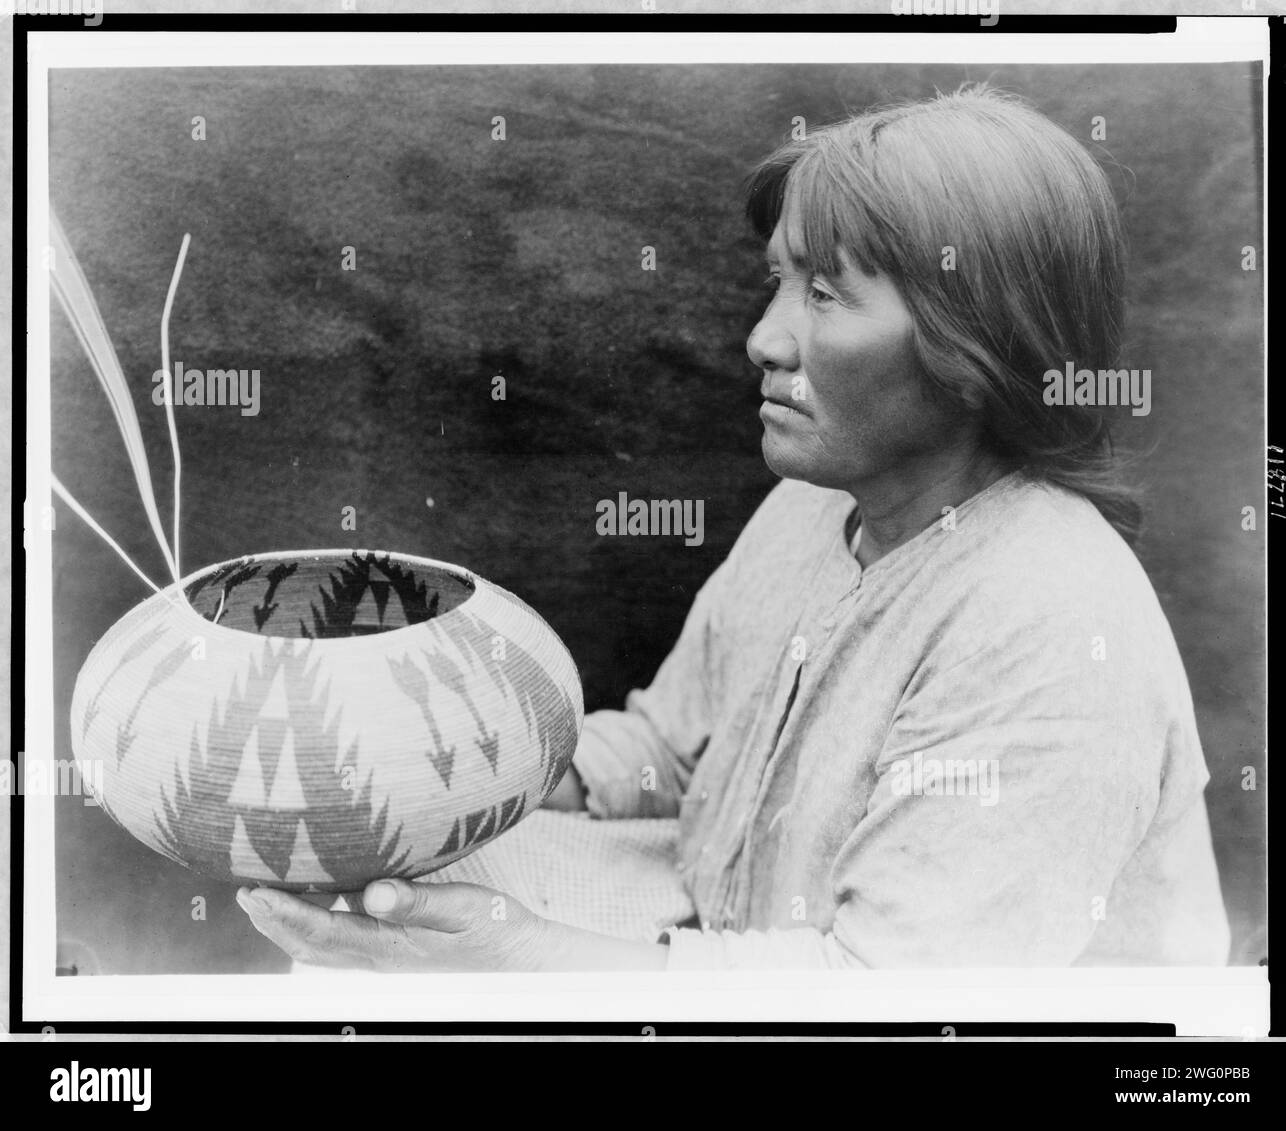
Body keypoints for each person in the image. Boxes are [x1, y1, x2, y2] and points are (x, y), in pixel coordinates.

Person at [239, 85, 1230, 970]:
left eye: (827, 293)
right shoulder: (819, 501)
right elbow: (671, 752)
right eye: (779, 282)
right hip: (722, 924)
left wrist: (504, 953)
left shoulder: (1050, 627)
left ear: (978, 348)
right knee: (368, 915)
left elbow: (886, 1008)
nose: (762, 337)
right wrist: (442, 784)